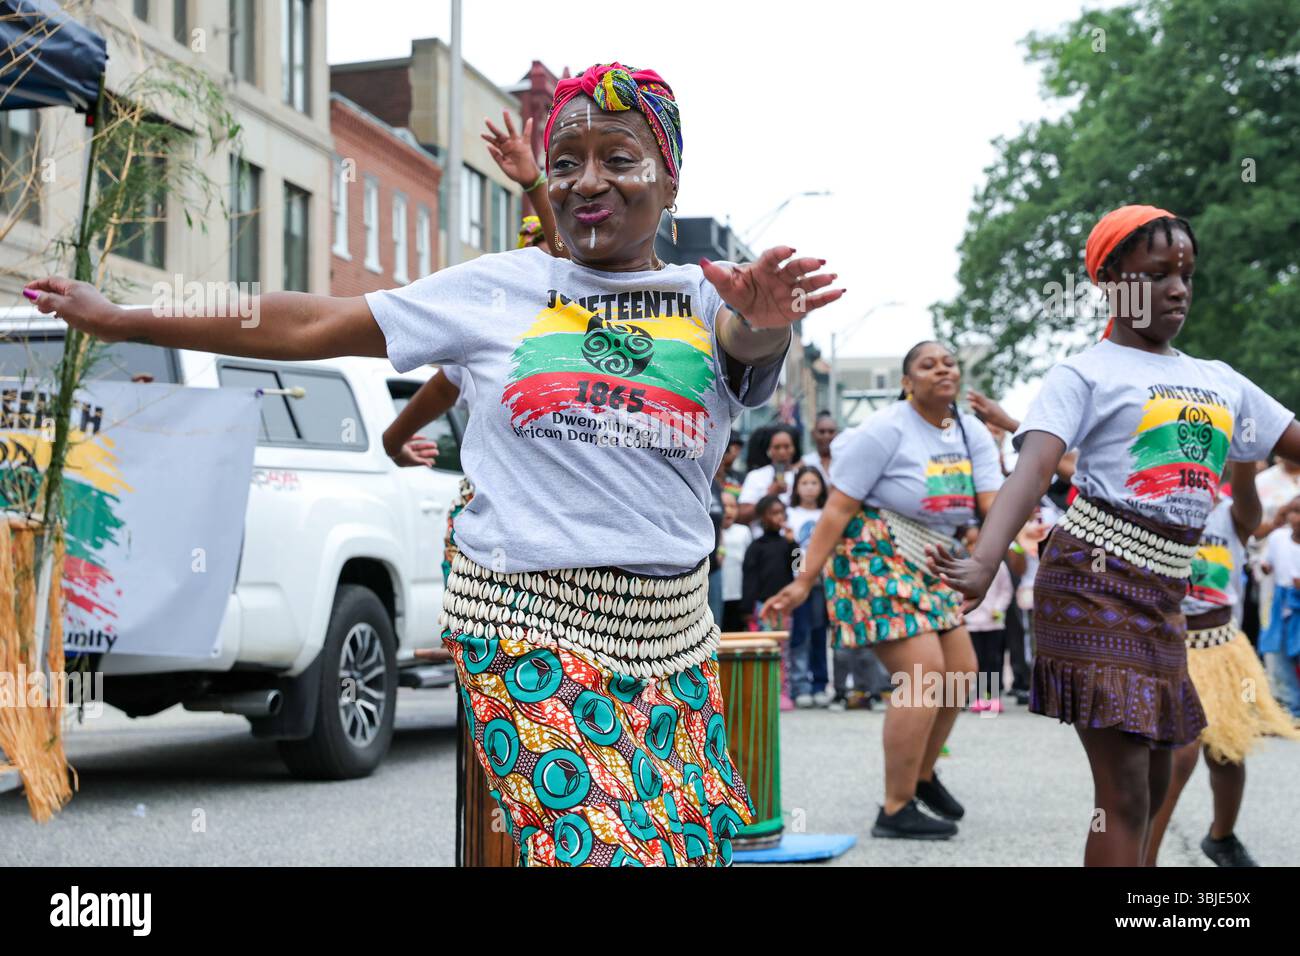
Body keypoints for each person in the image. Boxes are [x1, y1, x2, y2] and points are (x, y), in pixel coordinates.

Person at [29, 61, 844, 867]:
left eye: (619, 159)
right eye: (565, 163)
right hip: (529, 627)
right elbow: (311, 323)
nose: (586, 181)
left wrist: (767, 322)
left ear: (669, 179)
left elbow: (747, 345)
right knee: (601, 852)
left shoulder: (704, 299)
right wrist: (128, 319)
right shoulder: (498, 289)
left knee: (681, 853)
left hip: (670, 636)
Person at [929, 205, 1300, 866]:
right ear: (1111, 283)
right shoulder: (1085, 374)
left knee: (1156, 784)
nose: (1178, 287)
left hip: (1165, 602)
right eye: (1157, 274)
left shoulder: (1220, 379)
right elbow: (1036, 465)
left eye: (1185, 273)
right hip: (1092, 586)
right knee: (1125, 792)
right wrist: (985, 560)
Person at [763, 340, 1003, 839]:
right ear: (906, 382)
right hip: (872, 551)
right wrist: (805, 578)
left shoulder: (971, 430)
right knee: (923, 674)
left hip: (932, 558)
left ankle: (921, 774)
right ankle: (895, 808)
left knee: (962, 673)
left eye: (949, 362)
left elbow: (993, 503)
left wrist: (992, 556)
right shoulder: (884, 429)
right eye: (926, 364)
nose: (942, 369)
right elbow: (837, 509)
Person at [1145, 465, 1300, 867]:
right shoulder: (1155, 509)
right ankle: (1143, 859)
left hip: (1224, 648)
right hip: (1173, 648)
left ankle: (1222, 838)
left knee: (1229, 751)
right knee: (1180, 755)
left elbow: (1247, 485)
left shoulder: (1234, 512)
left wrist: (1244, 449)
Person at [786, 465, 833, 707]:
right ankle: (800, 684)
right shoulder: (790, 514)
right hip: (797, 582)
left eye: (814, 483)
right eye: (804, 483)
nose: (809, 488)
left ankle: (820, 684)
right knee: (799, 634)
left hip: (822, 582)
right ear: (796, 487)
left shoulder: (827, 513)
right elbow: (792, 549)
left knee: (818, 634)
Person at [960, 523, 1013, 713]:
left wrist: (998, 609)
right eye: (971, 544)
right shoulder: (963, 567)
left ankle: (994, 697)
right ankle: (980, 696)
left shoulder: (999, 566)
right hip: (973, 624)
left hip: (993, 623)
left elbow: (1005, 590)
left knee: (994, 660)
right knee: (977, 662)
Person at [1260, 498, 1300, 716]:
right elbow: (1267, 562)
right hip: (1281, 602)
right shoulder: (1278, 538)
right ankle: (1291, 707)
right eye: (1293, 512)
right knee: (1279, 653)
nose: (1296, 518)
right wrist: (1266, 567)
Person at [737, 425, 798, 530]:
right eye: (777, 447)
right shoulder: (755, 476)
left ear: (793, 449)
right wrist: (769, 495)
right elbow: (742, 516)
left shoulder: (802, 476)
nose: (782, 452)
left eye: (787, 446)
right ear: (769, 451)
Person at [719, 493, 751, 632]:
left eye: (733, 506)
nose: (728, 510)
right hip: (717, 592)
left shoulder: (743, 531)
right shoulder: (712, 531)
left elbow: (749, 563)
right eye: (724, 506)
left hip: (738, 592)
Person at [801, 410, 837, 483]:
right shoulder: (805, 463)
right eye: (822, 431)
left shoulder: (844, 461)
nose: (826, 436)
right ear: (813, 434)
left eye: (831, 431)